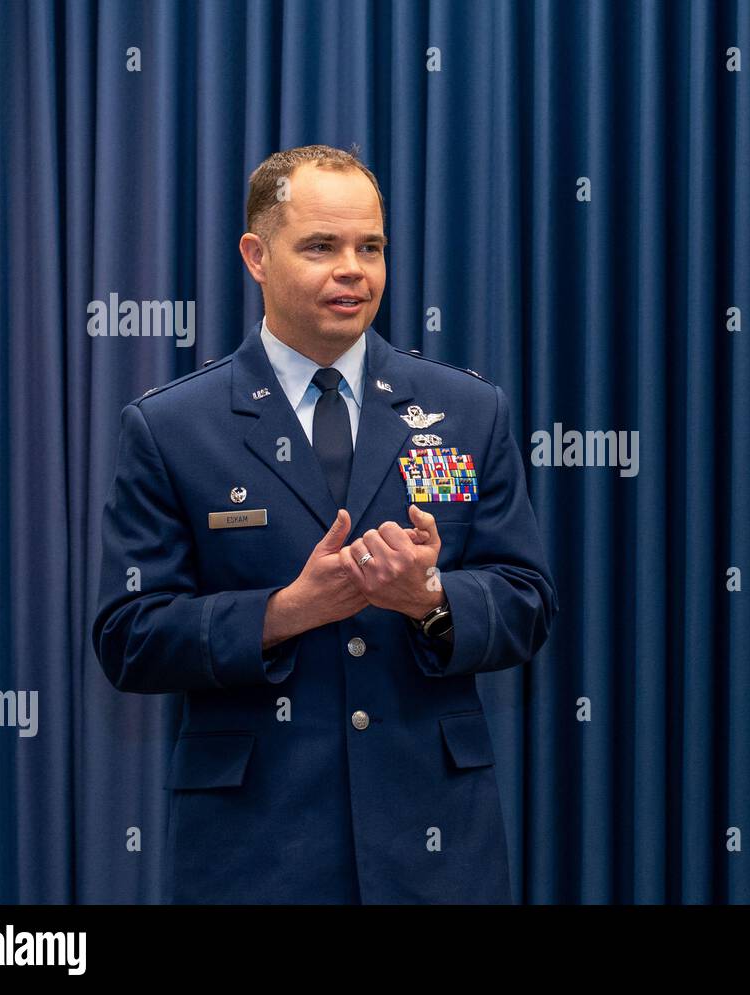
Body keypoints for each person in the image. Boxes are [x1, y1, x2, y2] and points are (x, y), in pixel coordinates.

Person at [91, 144, 557, 904]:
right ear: (257, 256)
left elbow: (528, 601)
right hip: (254, 850)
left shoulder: (470, 411)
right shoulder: (172, 427)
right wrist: (283, 613)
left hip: (434, 847)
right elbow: (128, 635)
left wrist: (432, 599)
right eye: (321, 246)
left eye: (369, 247)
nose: (353, 269)